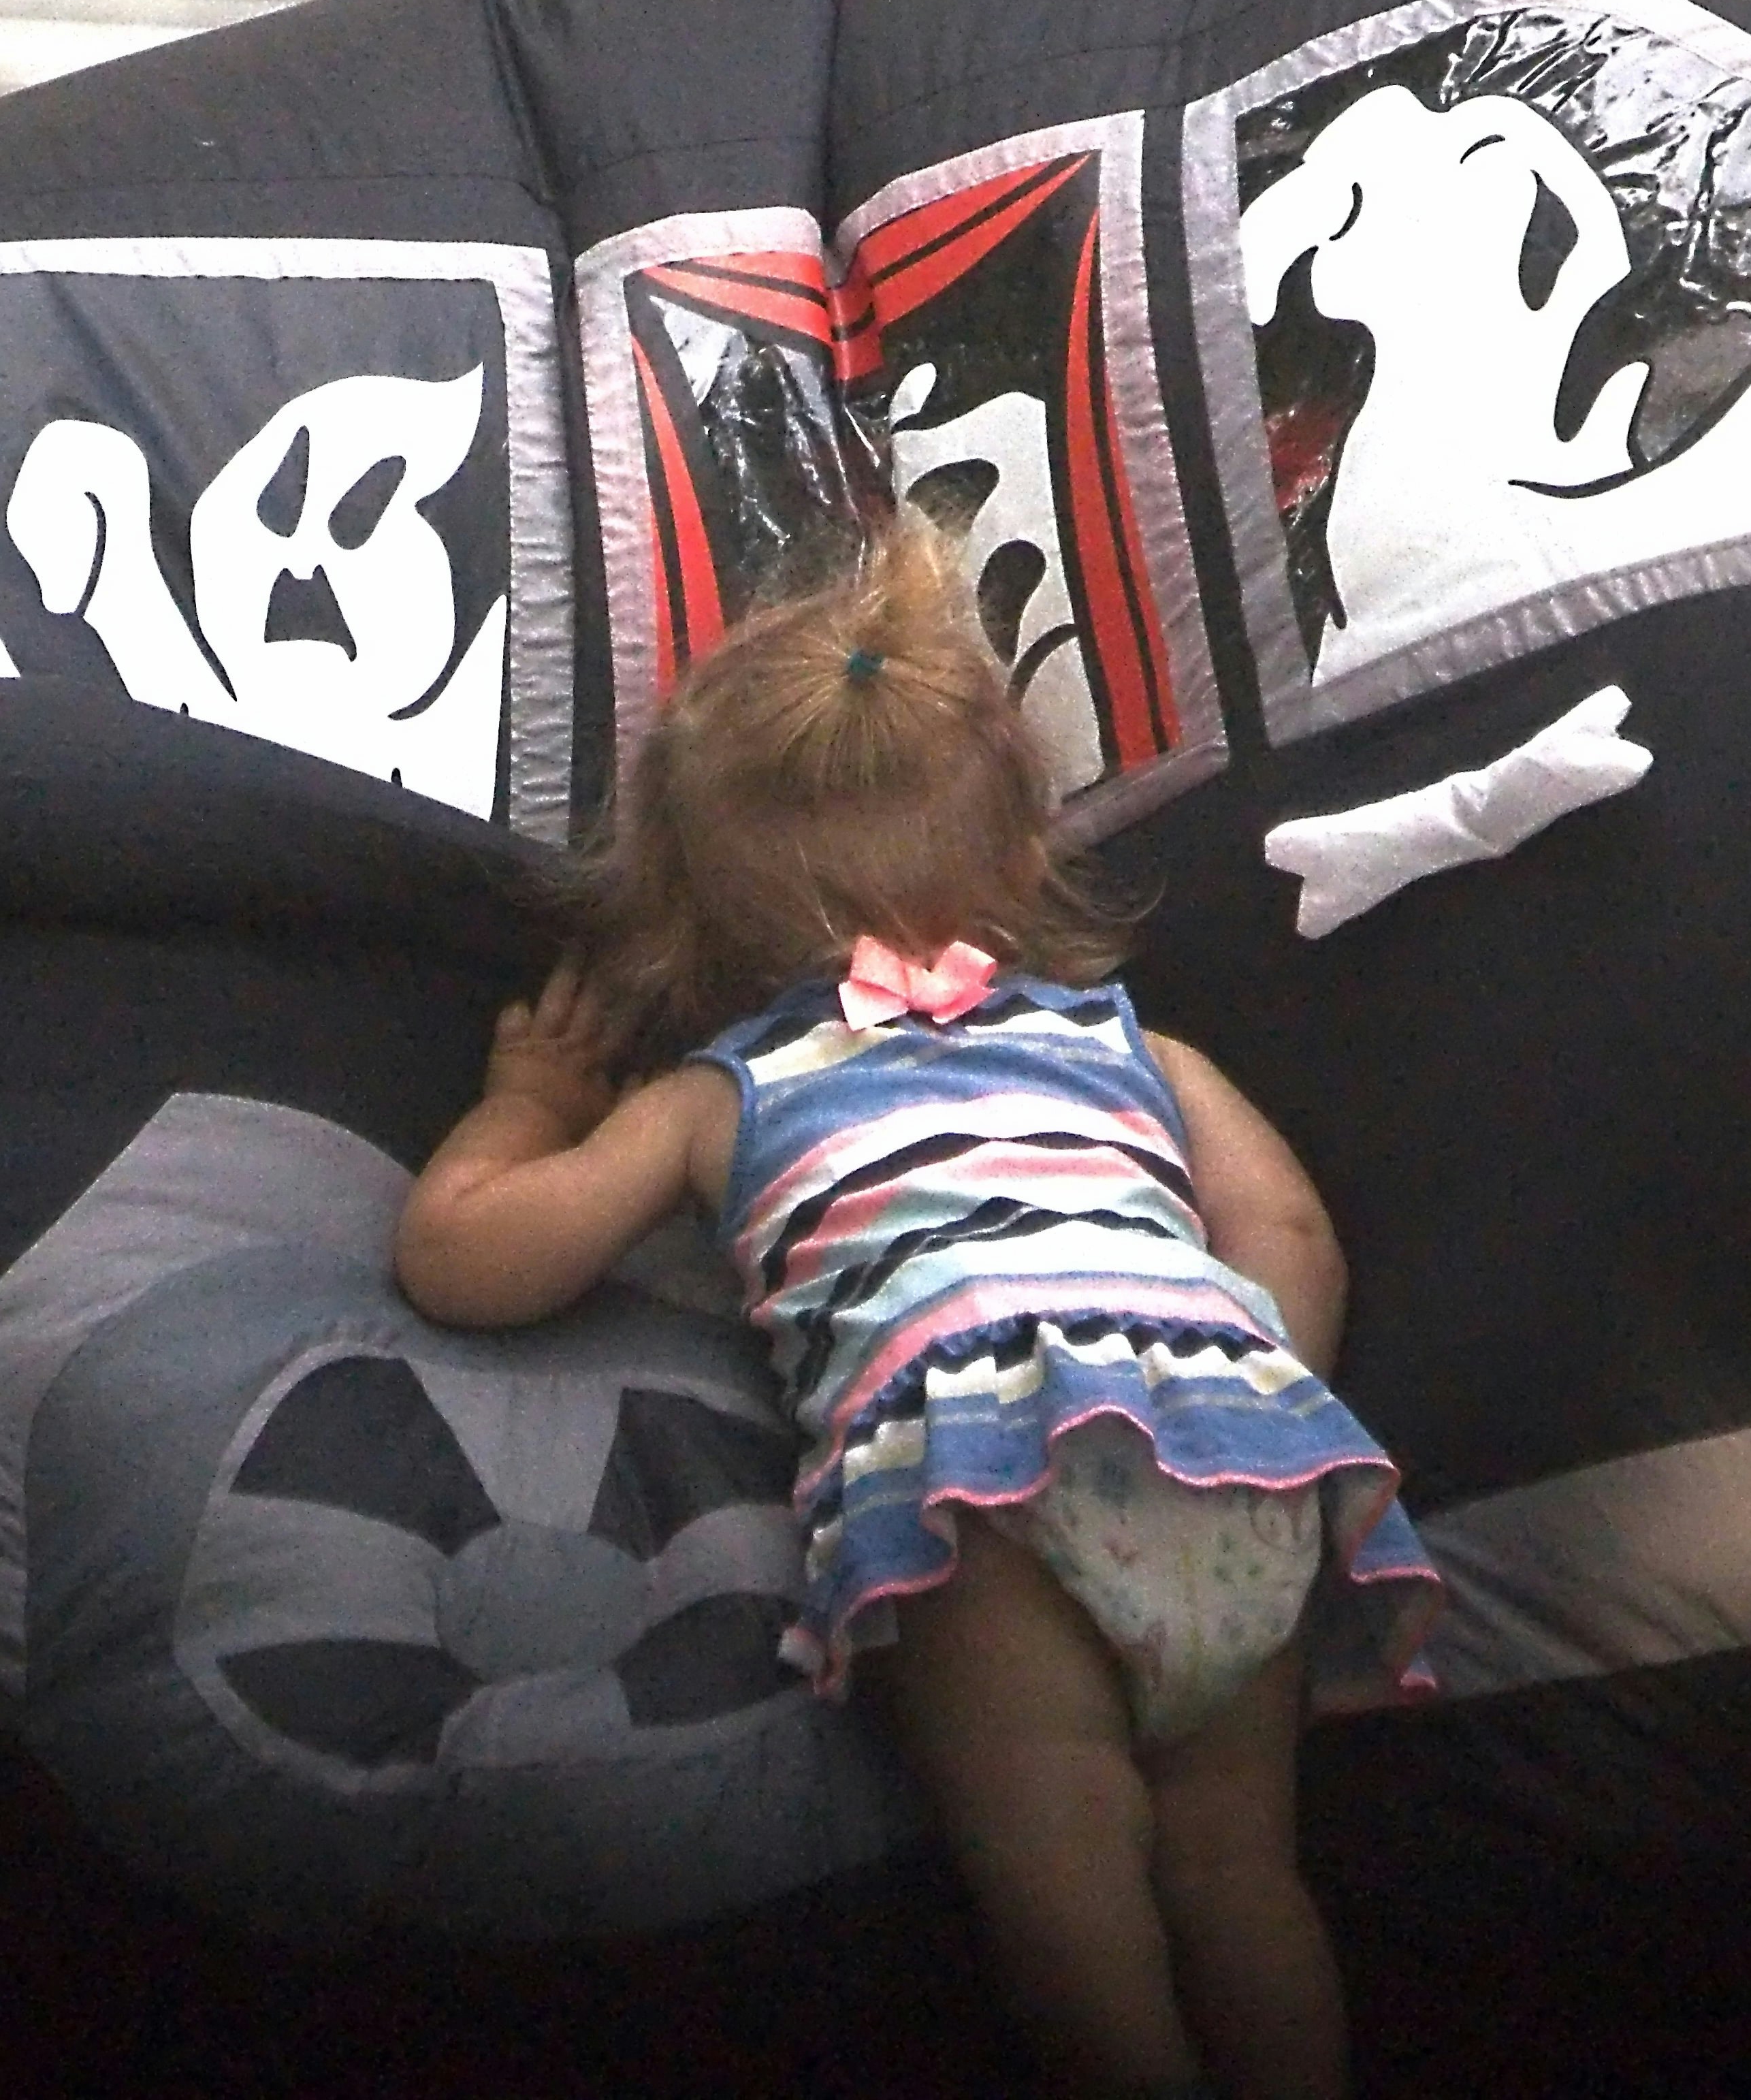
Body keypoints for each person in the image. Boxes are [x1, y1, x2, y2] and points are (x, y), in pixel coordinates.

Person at [394, 522, 1443, 2100]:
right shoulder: (1133, 1049)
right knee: (1244, 1886)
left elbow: (468, 1259)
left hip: (974, 1457)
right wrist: (1242, 1393)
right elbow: (1286, 1229)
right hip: (1231, 1447)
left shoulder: (720, 1094)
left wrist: (524, 1104)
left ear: (693, 926)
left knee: (1074, 1906)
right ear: (1025, 854)